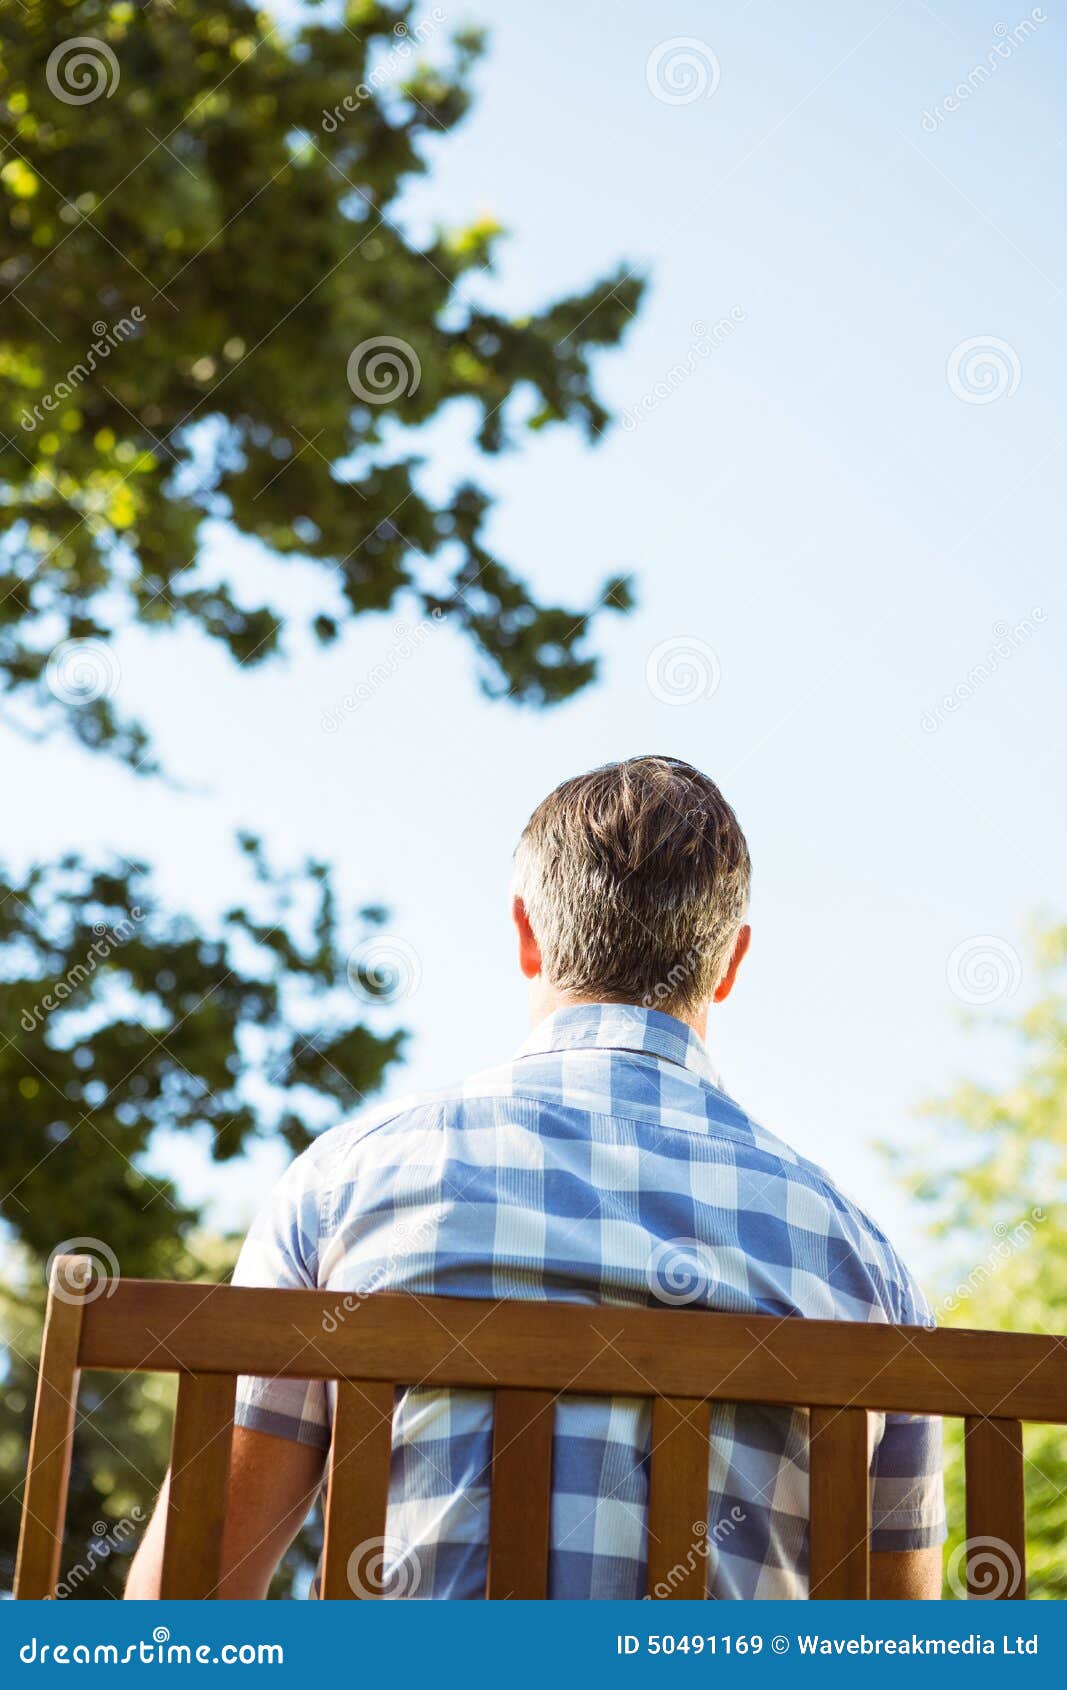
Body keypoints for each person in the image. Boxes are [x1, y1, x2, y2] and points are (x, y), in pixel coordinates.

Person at [126, 755, 944, 1599]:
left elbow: (180, 1603)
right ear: (729, 963)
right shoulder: (861, 1264)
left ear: (526, 933)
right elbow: (903, 1647)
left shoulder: (344, 1185)